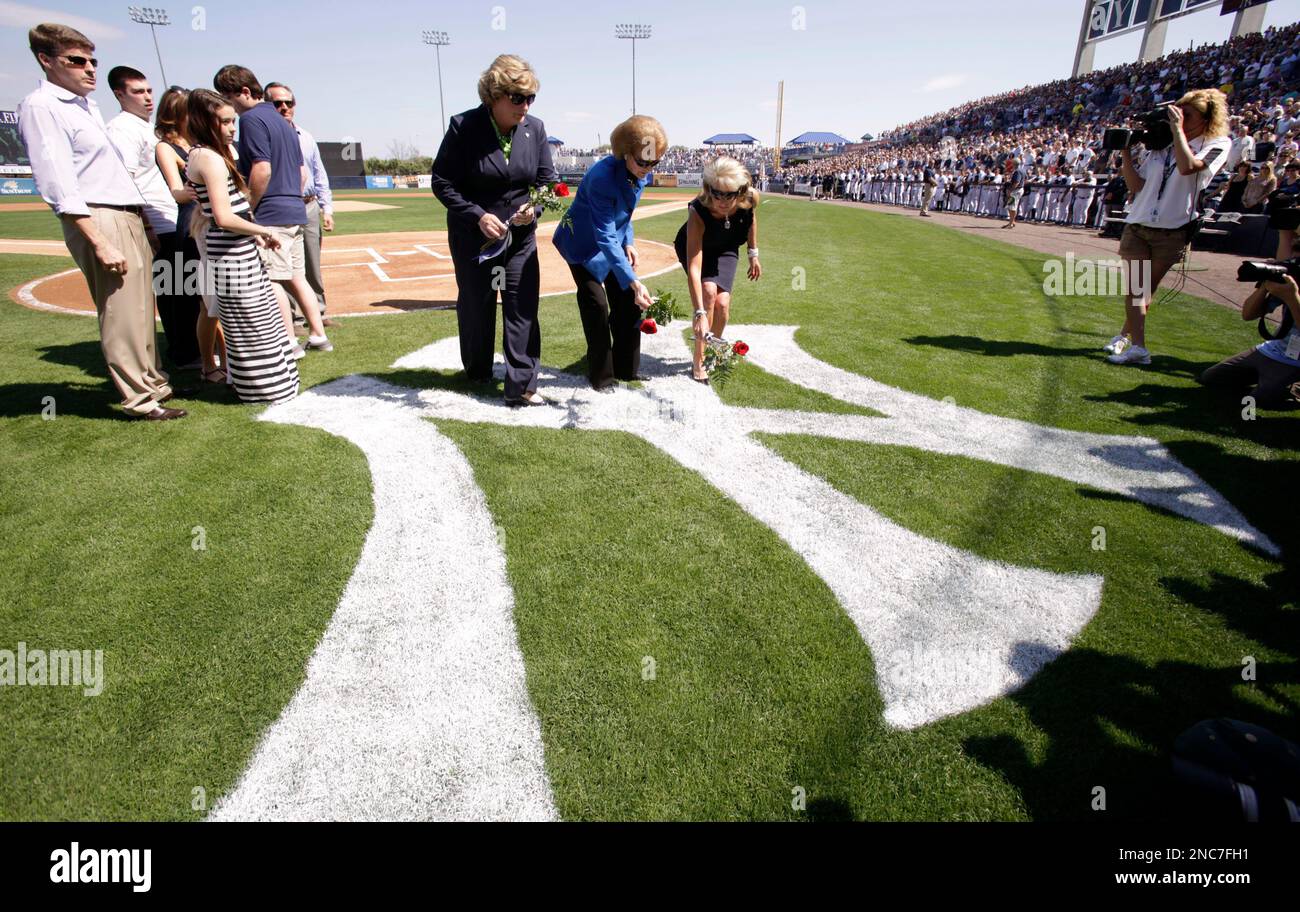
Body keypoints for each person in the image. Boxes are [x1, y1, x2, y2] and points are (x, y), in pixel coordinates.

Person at [17, 23, 183, 420]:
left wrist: (141, 223)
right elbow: (57, 181)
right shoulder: (42, 107)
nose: (89, 69)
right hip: (98, 216)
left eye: (92, 60)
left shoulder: (85, 107)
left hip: (125, 213)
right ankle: (140, 400)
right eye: (77, 61)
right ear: (46, 60)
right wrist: (97, 240)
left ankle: (154, 385)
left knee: (142, 308)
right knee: (121, 311)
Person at [429, 54, 557, 406]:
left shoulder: (536, 129)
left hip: (519, 239)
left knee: (522, 306)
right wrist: (476, 215)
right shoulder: (463, 127)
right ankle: (478, 371)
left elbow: (547, 182)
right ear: (494, 95)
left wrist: (534, 208)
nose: (525, 106)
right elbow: (441, 181)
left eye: (530, 98)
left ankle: (522, 385)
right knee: (476, 304)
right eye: (517, 98)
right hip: (474, 236)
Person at [185, 88, 299, 404]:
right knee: (250, 325)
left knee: (258, 321)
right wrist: (260, 229)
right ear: (204, 122)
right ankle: (264, 390)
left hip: (236, 250)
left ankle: (268, 386)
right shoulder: (207, 158)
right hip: (230, 254)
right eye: (224, 122)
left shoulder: (207, 155)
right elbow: (223, 216)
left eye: (232, 121)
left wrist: (254, 233)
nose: (232, 128)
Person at [1105, 89, 1232, 366]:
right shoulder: (1160, 145)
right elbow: (1137, 186)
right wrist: (1126, 150)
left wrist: (1177, 131)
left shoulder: (1218, 143)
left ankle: (1126, 338)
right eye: (1178, 113)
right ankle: (1136, 345)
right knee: (1137, 289)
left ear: (1206, 118)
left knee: (1144, 290)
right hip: (1138, 224)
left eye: (1187, 115)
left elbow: (1189, 168)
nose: (1180, 118)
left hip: (1173, 230)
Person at [213, 64, 331, 356]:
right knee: (296, 276)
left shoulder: (251, 119)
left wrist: (248, 207)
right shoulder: (286, 124)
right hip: (293, 207)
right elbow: (302, 174)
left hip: (272, 211)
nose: (226, 105)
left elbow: (262, 169)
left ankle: (289, 342)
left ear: (242, 92)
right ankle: (318, 335)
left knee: (273, 278)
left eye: (226, 96)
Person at [552, 115, 665, 390]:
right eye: (642, 162)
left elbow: (624, 214)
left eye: (654, 163)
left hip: (612, 243)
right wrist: (635, 280)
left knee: (627, 303)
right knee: (597, 305)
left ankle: (627, 369)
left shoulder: (639, 173)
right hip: (582, 246)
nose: (647, 169)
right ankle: (601, 376)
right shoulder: (601, 177)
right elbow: (603, 235)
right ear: (625, 152)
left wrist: (629, 241)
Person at [104, 65, 203, 373]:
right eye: (138, 92)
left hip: (175, 221)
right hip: (159, 224)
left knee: (186, 289)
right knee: (175, 293)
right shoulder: (122, 129)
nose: (147, 97)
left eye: (148, 91)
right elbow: (126, 180)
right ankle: (182, 353)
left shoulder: (148, 130)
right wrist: (146, 227)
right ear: (119, 94)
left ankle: (185, 349)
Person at [154, 86, 226, 385]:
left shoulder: (203, 145)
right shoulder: (166, 147)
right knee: (203, 299)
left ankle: (224, 354)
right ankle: (205, 362)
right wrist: (203, 187)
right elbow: (176, 192)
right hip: (193, 222)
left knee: (217, 296)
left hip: (214, 220)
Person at [674, 157, 762, 383]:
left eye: (729, 194)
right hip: (698, 247)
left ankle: (714, 347)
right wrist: (699, 312)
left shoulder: (749, 201)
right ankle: (699, 356)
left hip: (727, 248)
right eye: (717, 193)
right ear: (708, 189)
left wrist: (753, 254)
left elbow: (751, 222)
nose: (722, 201)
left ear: (740, 192)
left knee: (722, 305)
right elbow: (695, 265)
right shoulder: (698, 210)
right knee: (709, 292)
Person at [1199, 228, 1299, 410]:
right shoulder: (1294, 276)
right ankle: (1272, 380)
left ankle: (1290, 385)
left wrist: (1293, 298)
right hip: (1277, 349)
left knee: (1260, 400)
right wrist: (1265, 286)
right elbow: (1248, 314)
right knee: (1213, 378)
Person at [265, 81, 335, 328]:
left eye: (289, 102)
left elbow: (318, 173)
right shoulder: (263, 135)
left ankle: (318, 311)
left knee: (311, 260)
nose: (284, 107)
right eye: (277, 103)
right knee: (284, 263)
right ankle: (292, 315)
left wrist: (327, 208)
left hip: (308, 204)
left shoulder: (306, 137)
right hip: (280, 206)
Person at [1002, 157, 1026, 228]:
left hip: (1016, 190)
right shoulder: (1023, 170)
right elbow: (1025, 179)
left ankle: (1011, 223)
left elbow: (1016, 183)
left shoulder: (1017, 171)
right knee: (1011, 206)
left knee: (1012, 207)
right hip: (1019, 189)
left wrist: (1010, 190)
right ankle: (1012, 222)